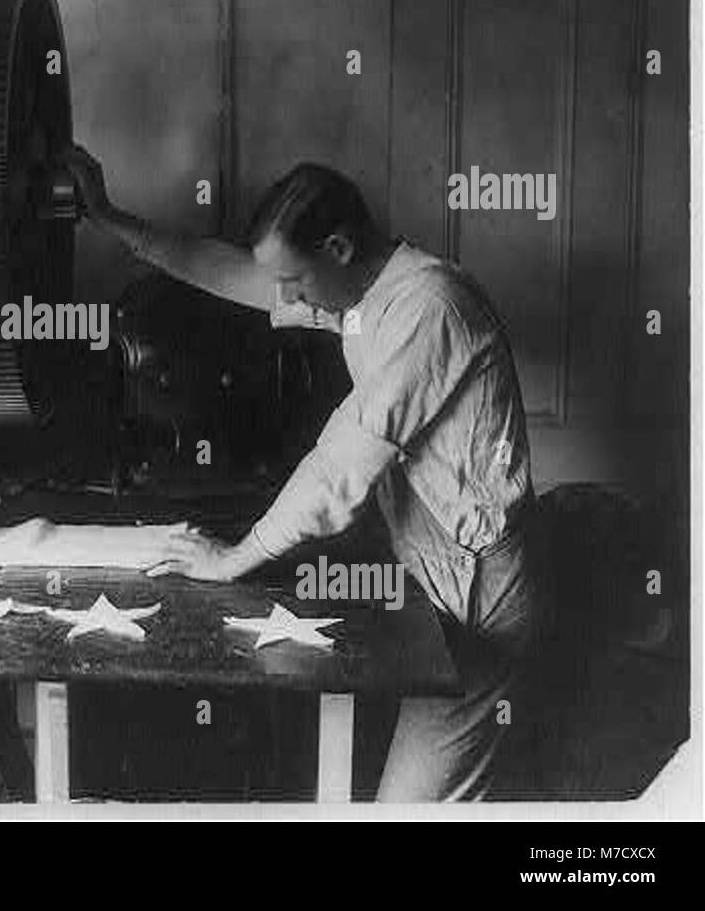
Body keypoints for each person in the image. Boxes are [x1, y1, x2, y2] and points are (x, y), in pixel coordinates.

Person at [64, 145, 549, 802]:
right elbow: (233, 273)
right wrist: (115, 221)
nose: (284, 300)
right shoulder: (365, 291)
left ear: (340, 248)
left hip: (478, 588)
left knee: (410, 811)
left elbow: (337, 469)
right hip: (426, 557)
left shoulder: (428, 308)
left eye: (294, 282)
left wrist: (238, 556)